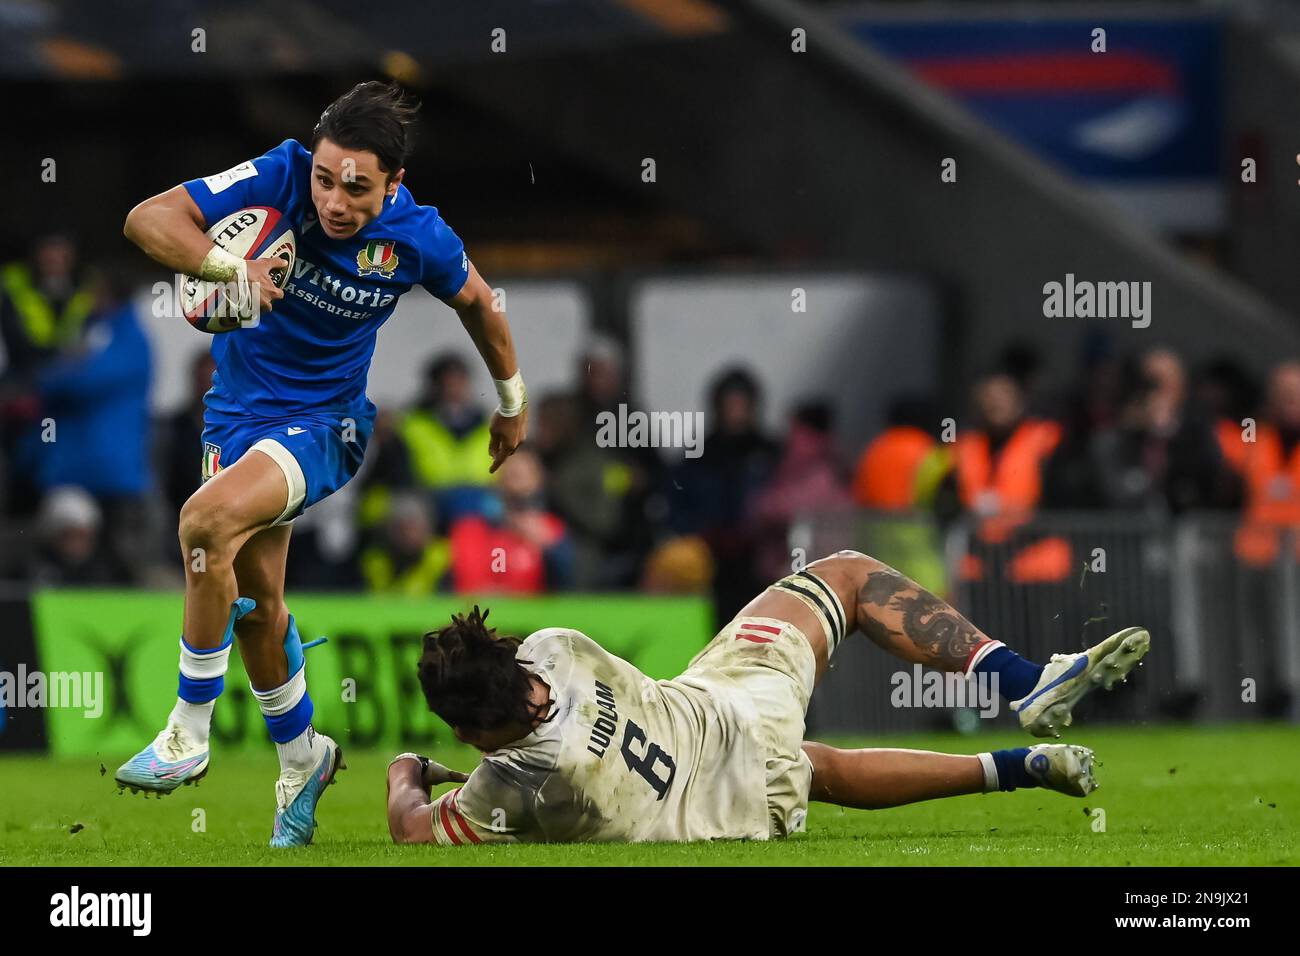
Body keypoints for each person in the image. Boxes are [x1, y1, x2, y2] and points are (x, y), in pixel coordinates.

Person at [114, 80, 528, 848]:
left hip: (325, 426)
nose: (335, 200)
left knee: (203, 521)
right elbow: (147, 219)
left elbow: (478, 301)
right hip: (234, 421)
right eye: (327, 179)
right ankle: (304, 757)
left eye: (358, 188)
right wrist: (222, 266)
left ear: (393, 185)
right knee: (258, 611)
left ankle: (185, 731)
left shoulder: (418, 236)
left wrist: (510, 401)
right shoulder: (278, 173)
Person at [385, 550, 1150, 844]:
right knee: (847, 576)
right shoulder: (557, 647)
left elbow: (413, 831)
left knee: (814, 770)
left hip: (750, 803)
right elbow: (507, 677)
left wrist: (406, 770)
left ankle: (1020, 755)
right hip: (736, 707)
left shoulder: (511, 785)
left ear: (475, 733)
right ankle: (1021, 686)